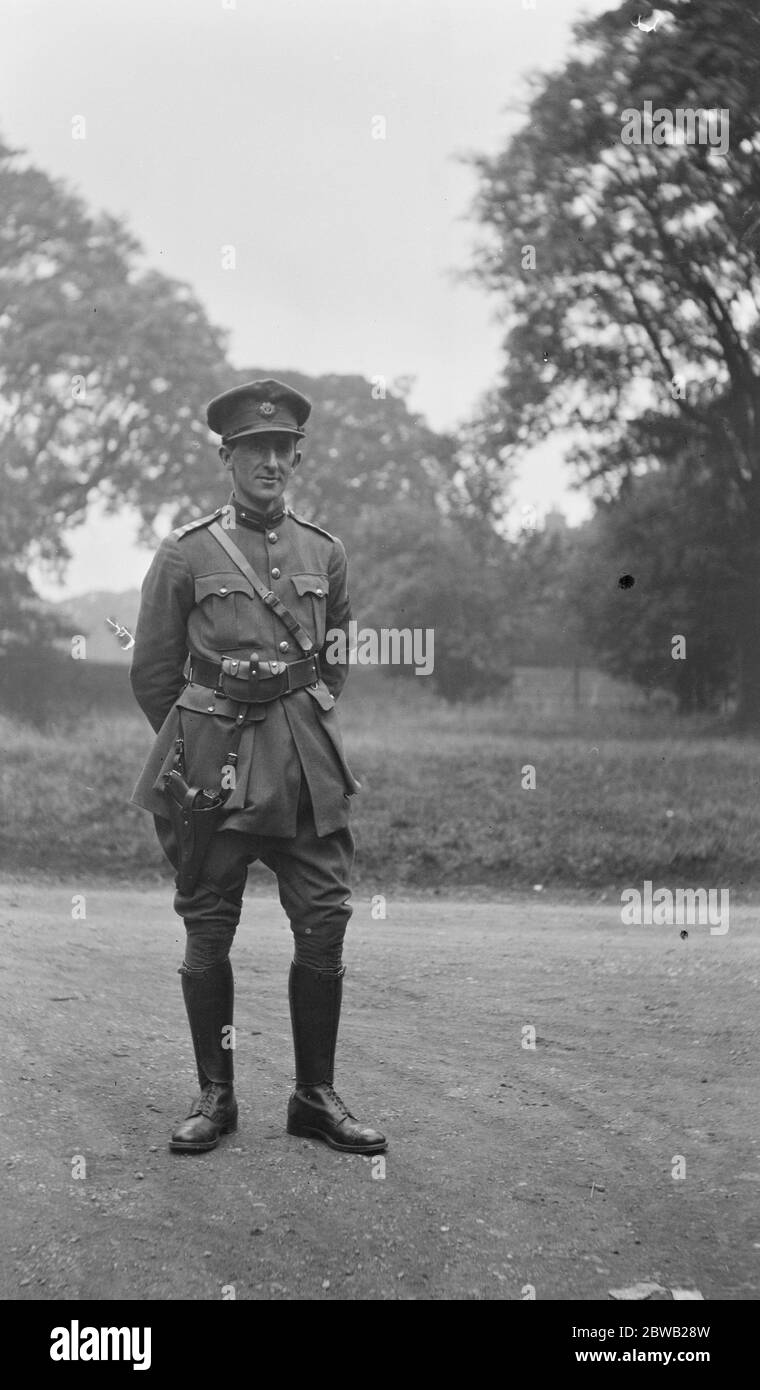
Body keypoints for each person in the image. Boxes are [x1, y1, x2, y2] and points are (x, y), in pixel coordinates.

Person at [129, 377, 386, 1157]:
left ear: (296, 457)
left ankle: (314, 1097)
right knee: (208, 926)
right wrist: (203, 737)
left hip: (307, 760)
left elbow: (335, 654)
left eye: (283, 449)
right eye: (256, 449)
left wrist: (298, 711)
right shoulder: (186, 553)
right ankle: (217, 1096)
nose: (271, 461)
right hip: (215, 768)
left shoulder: (325, 551)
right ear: (228, 456)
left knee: (326, 920)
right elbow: (154, 674)